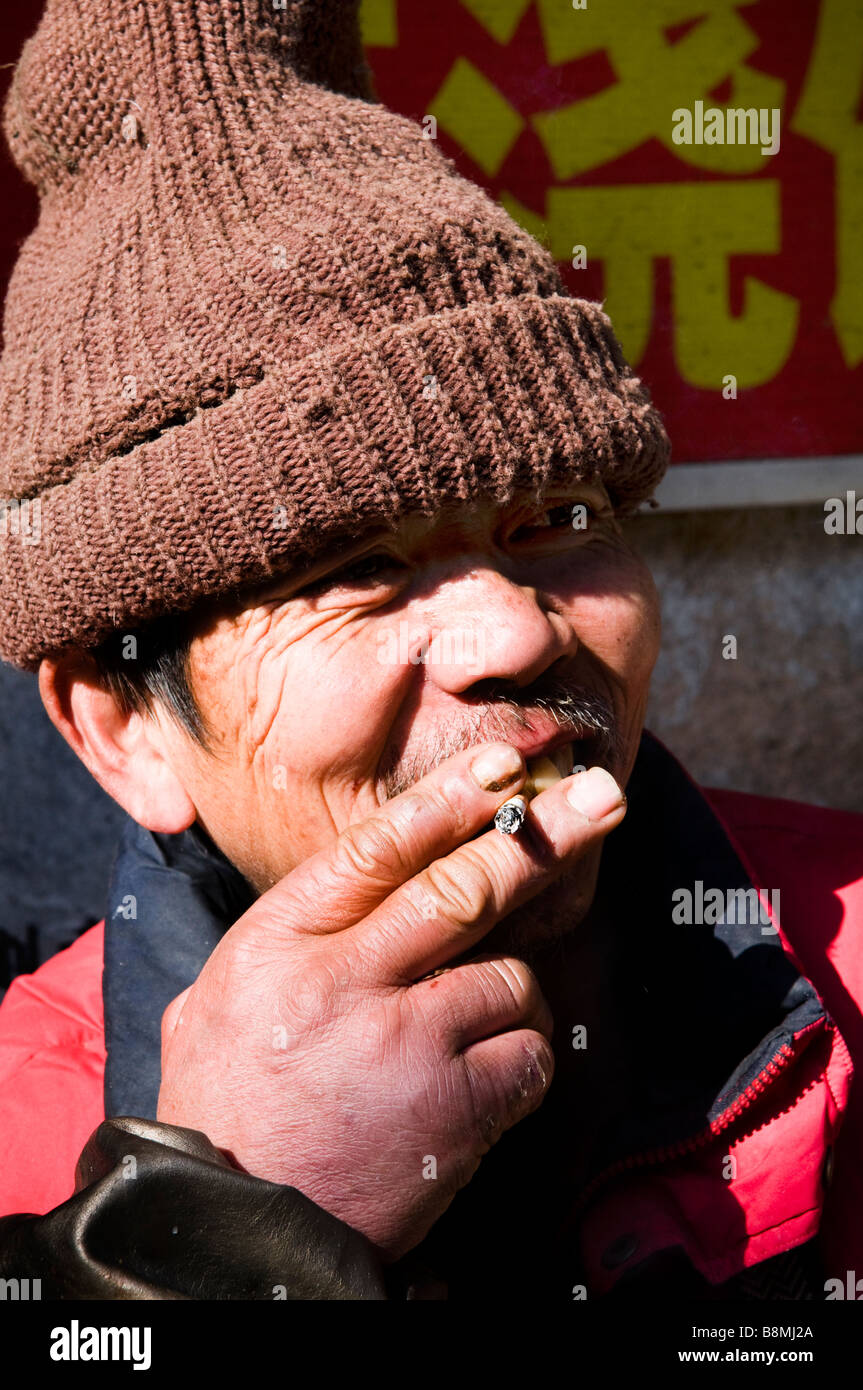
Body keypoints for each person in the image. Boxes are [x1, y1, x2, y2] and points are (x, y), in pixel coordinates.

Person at [0, 0, 860, 1301]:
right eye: (348, 570)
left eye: (559, 519)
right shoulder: (19, 1130)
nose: (516, 630)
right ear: (123, 728)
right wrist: (210, 1235)